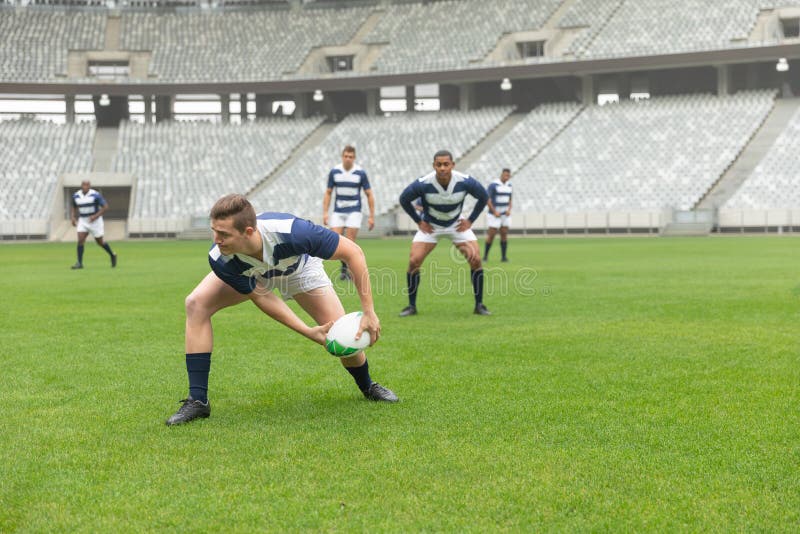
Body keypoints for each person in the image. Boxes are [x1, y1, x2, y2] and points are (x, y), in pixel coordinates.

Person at [166, 194, 398, 426]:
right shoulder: (220, 258)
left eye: (224, 234)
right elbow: (261, 295)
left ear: (248, 231)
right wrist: (307, 331)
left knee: (342, 335)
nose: (216, 240)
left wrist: (369, 312)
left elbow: (353, 252)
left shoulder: (293, 232)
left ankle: (368, 385)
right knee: (195, 304)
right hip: (256, 276)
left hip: (299, 271)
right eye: (214, 231)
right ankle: (198, 401)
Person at [397, 150, 491, 317]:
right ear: (433, 166)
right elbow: (404, 198)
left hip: (456, 224)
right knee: (414, 261)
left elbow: (483, 196)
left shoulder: (464, 181)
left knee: (476, 259)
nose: (442, 168)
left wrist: (470, 220)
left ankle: (479, 305)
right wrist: (419, 222)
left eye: (446, 164)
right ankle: (411, 306)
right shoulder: (424, 183)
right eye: (438, 164)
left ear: (452, 165)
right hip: (431, 226)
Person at [322, 145, 375, 281]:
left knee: (350, 241)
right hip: (338, 210)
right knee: (335, 240)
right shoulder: (335, 172)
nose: (348, 159)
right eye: (346, 156)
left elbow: (369, 194)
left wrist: (371, 216)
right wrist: (325, 213)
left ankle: (347, 270)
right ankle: (345, 267)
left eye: (350, 157)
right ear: (342, 157)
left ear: (354, 158)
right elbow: (328, 193)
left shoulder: (360, 173)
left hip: (354, 210)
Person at [70, 180, 117, 269]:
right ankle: (79, 263)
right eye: (84, 185)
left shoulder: (95, 195)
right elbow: (74, 206)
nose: (85, 186)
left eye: (87, 185)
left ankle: (112, 254)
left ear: (90, 186)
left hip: (95, 222)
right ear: (81, 186)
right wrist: (72, 217)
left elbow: (105, 207)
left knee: (100, 242)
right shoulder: (76, 195)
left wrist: (95, 216)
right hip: (83, 220)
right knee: (80, 240)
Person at [483, 168, 513, 262]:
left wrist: (509, 209)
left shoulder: (509, 185)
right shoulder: (493, 185)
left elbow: (510, 199)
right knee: (491, 234)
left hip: (504, 214)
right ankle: (485, 256)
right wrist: (494, 211)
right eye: (505, 175)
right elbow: (487, 199)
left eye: (508, 175)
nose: (507, 177)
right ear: (501, 175)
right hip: (494, 214)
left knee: (504, 234)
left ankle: (503, 257)